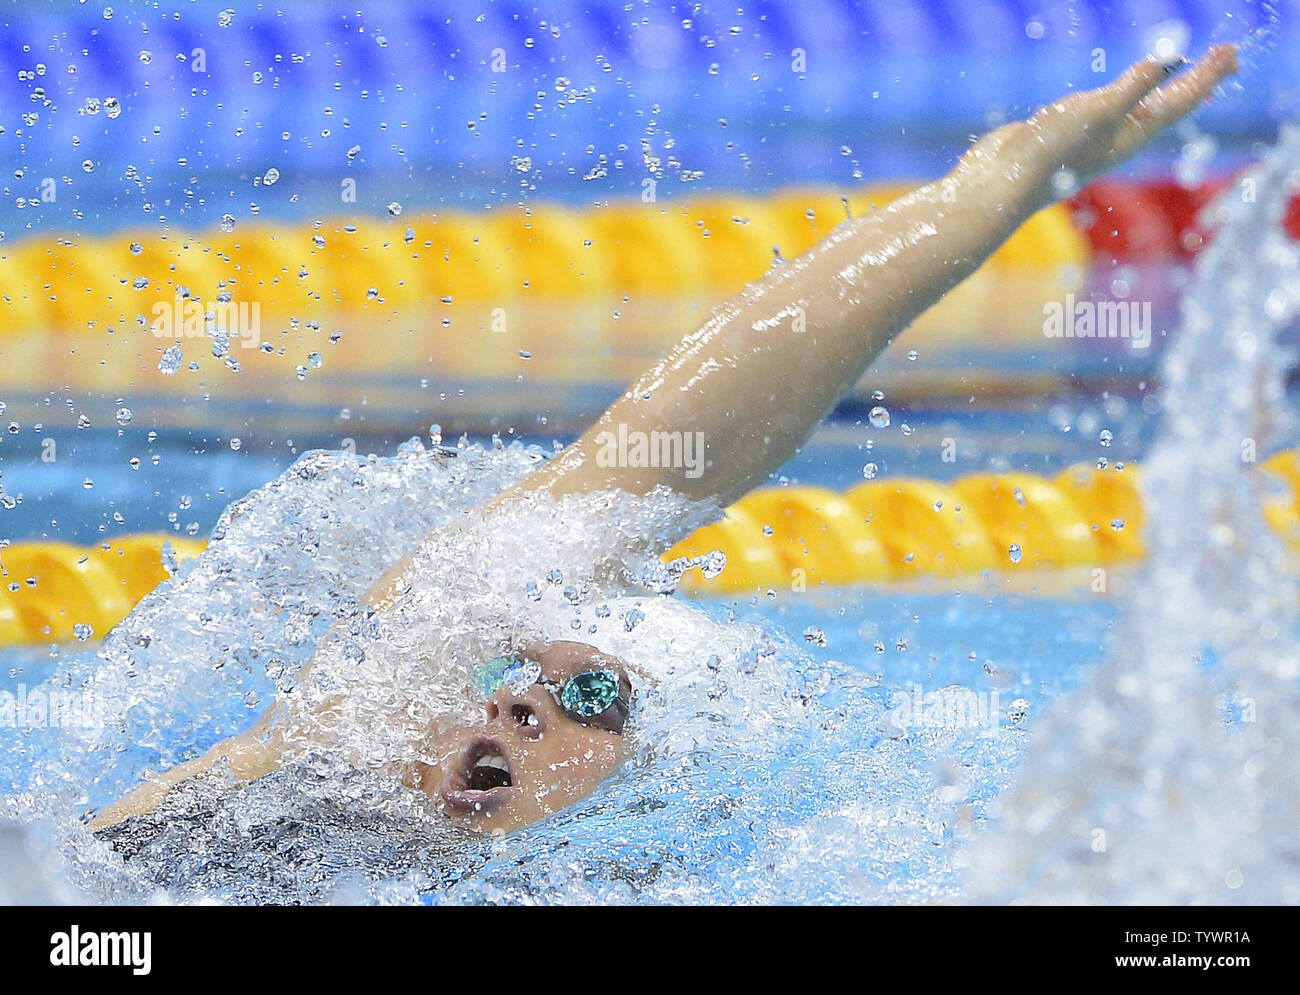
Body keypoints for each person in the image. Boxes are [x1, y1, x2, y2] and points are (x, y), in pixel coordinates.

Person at [91, 46, 1239, 836]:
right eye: (497, 669)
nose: (518, 704)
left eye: (595, 698)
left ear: (641, 768)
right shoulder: (291, 780)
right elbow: (685, 434)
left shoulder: (673, 852)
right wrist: (991, 186)